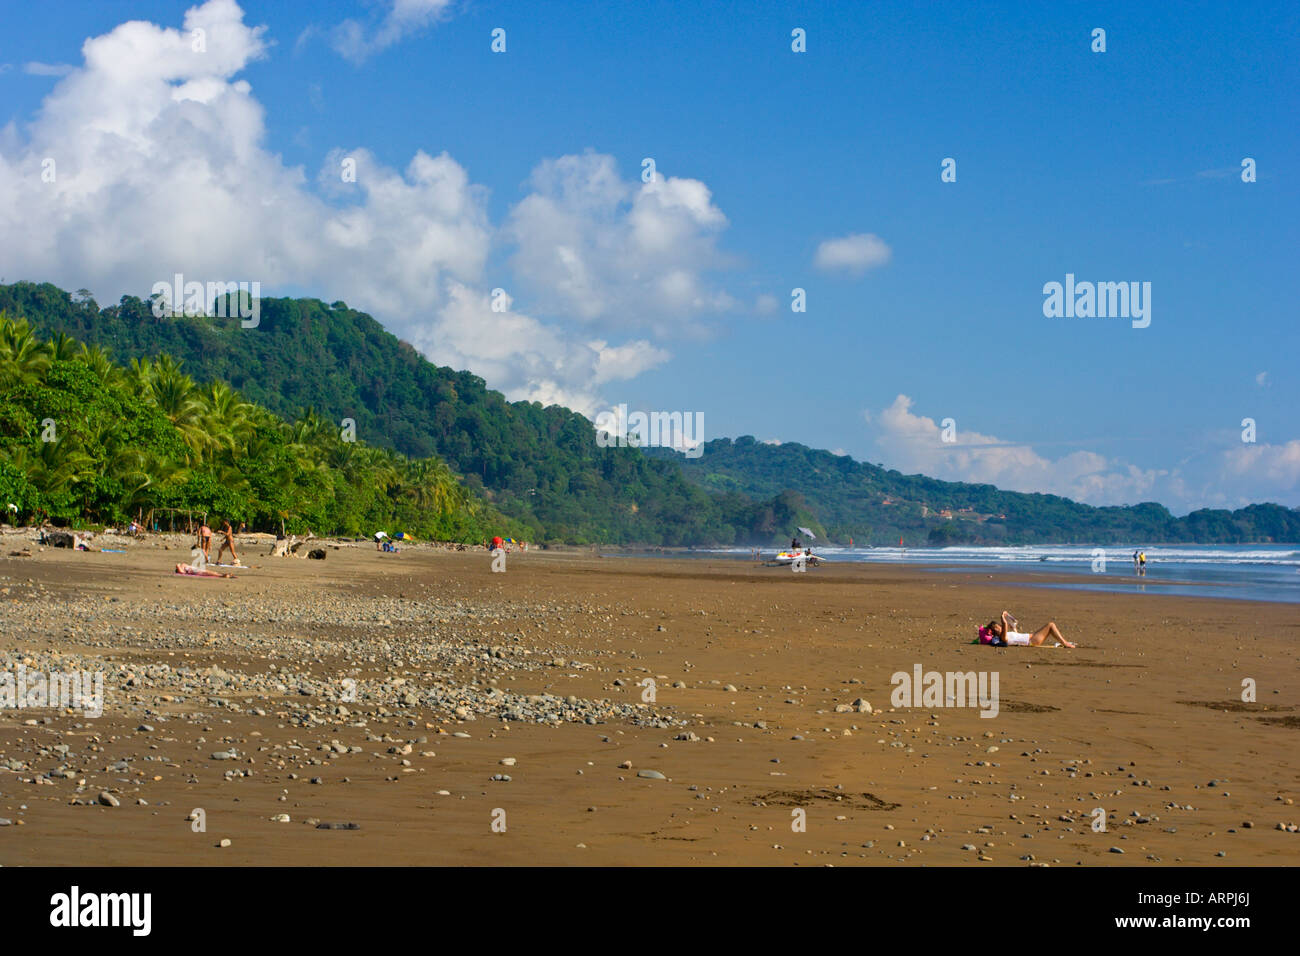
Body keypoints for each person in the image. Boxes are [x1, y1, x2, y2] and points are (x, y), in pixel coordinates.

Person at [985, 610, 1076, 648]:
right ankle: (1065, 643)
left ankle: (1063, 642)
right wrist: (1002, 615)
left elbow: (1017, 636)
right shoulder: (1003, 638)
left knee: (1050, 627)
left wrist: (1014, 628)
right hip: (1032, 640)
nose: (999, 628)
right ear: (994, 632)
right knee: (1051, 625)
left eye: (998, 626)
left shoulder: (1006, 635)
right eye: (996, 628)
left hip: (1032, 637)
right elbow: (1004, 624)